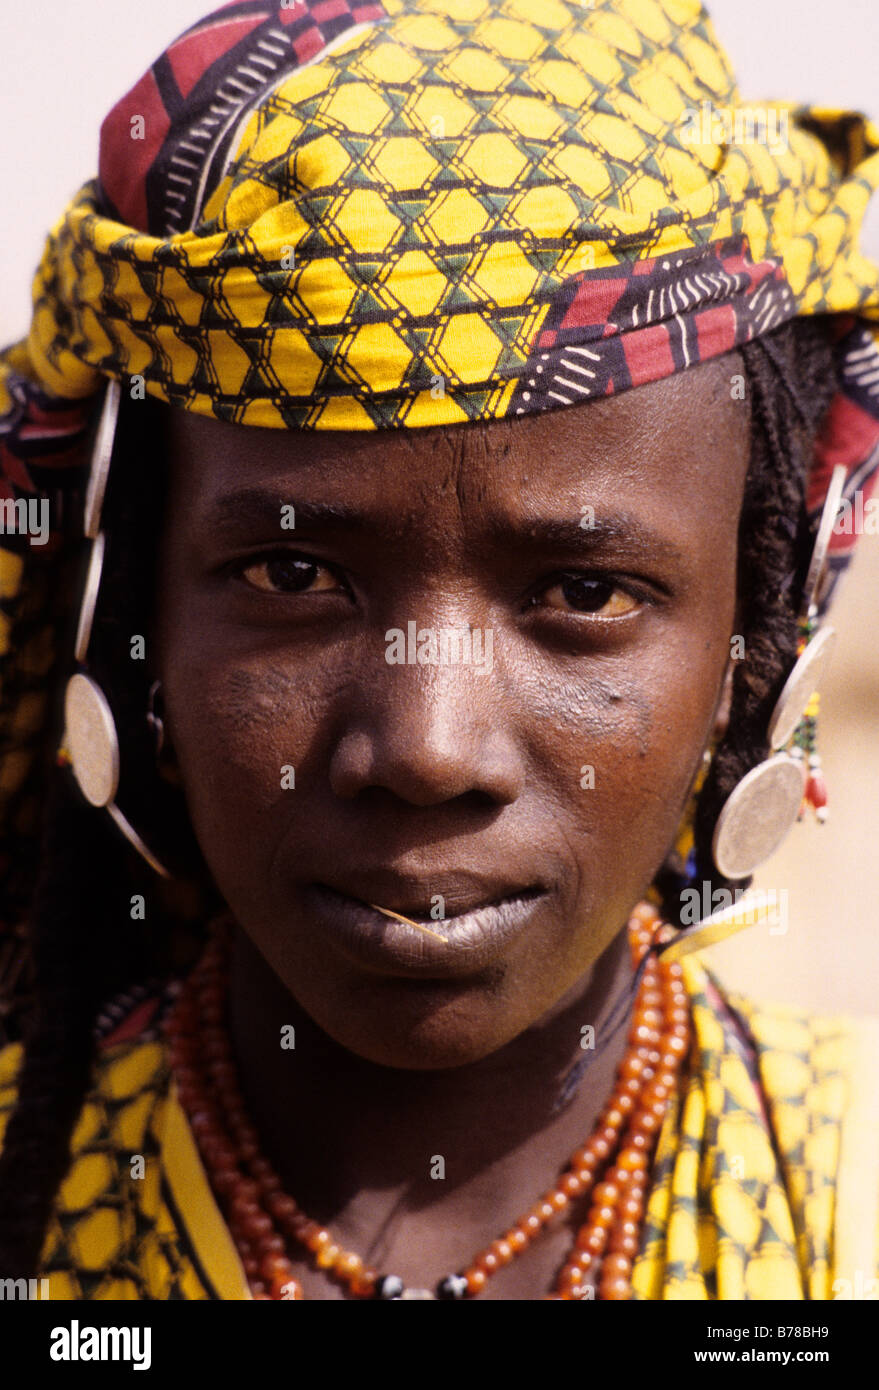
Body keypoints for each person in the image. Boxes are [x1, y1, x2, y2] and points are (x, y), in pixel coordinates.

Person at [0, 0, 878, 1301]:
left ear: (755, 640)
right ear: (128, 624)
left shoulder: (847, 1203)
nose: (425, 747)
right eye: (294, 572)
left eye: (584, 589)